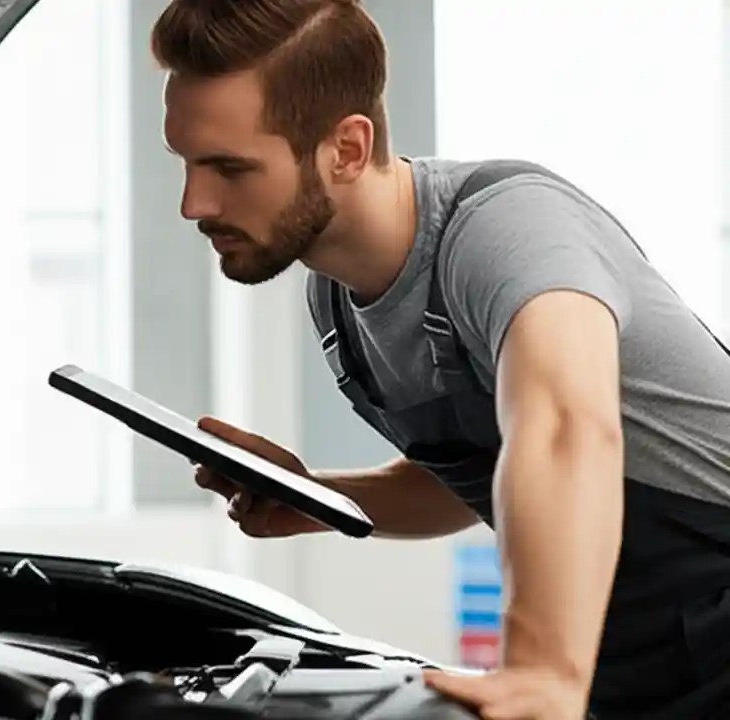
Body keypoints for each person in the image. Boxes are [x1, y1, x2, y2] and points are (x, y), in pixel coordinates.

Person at [150, 1, 730, 719]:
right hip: (633, 657)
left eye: (229, 168)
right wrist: (316, 498)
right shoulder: (335, 300)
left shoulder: (508, 230)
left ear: (348, 149)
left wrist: (542, 670)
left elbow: (564, 428)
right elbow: (471, 481)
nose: (192, 202)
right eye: (186, 162)